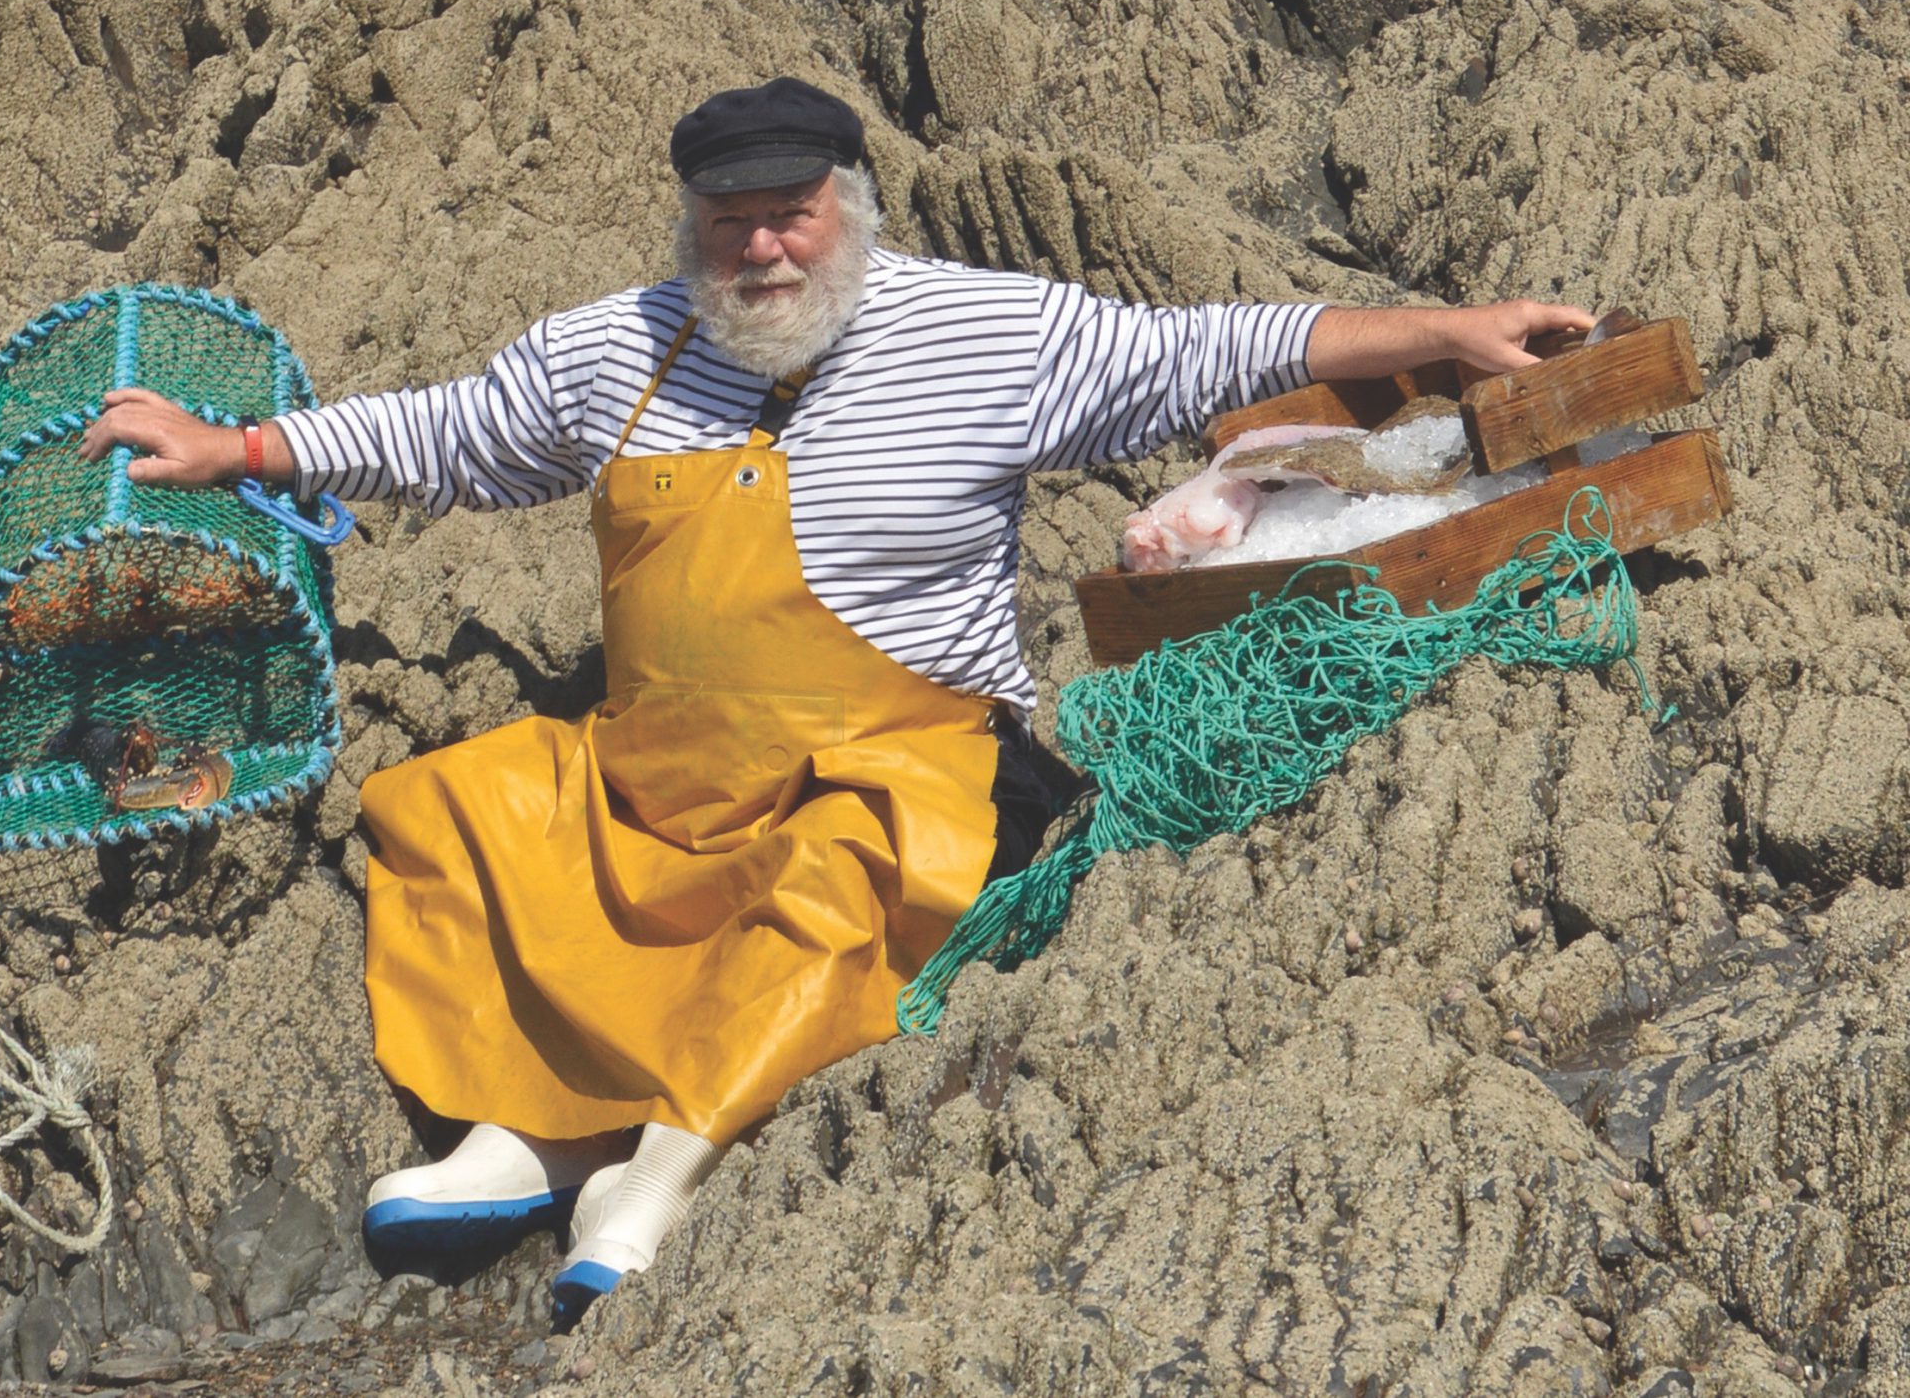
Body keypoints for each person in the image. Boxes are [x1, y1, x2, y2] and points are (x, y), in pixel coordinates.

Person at [78, 77, 1591, 1324]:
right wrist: (242, 451)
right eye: (730, 223)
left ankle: (658, 1160)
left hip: (905, 757)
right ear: (692, 228)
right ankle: (525, 1136)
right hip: (659, 773)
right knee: (464, 806)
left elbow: (1215, 343)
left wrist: (1443, 332)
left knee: (847, 860)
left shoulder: (990, 334)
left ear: (851, 211)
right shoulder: (610, 349)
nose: (762, 252)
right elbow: (453, 433)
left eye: (790, 216)